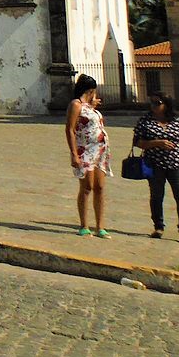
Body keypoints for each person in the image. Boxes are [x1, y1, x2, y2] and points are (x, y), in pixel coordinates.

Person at [132, 93, 179, 244]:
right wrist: (156, 143)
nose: (153, 106)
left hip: (177, 165)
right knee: (156, 196)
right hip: (154, 165)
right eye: (151, 102)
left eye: (157, 103)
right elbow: (137, 142)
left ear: (166, 104)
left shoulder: (178, 122)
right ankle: (158, 227)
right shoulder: (145, 121)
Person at [65, 74, 111, 237]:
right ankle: (84, 225)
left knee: (99, 187)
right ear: (91, 90)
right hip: (85, 150)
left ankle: (100, 226)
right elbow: (70, 129)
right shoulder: (76, 105)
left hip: (100, 151)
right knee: (87, 187)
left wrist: (92, 105)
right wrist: (74, 154)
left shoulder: (89, 106)